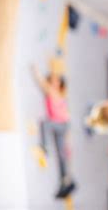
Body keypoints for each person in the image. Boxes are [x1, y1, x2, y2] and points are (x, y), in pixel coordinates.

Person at [31, 64, 76, 199]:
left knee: (44, 123)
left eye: (56, 81)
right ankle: (65, 181)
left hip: (61, 124)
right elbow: (42, 82)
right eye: (52, 80)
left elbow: (66, 116)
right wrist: (36, 71)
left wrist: (36, 70)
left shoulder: (57, 93)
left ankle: (44, 146)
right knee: (61, 156)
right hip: (59, 125)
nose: (54, 82)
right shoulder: (51, 91)